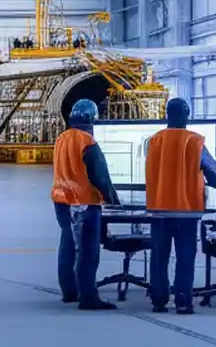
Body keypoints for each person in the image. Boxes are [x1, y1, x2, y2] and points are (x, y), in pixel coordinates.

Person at [145, 97, 216, 315]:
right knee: (185, 257)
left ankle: (158, 300)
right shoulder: (195, 141)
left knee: (159, 258)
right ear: (187, 115)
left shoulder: (153, 140)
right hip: (187, 211)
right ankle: (183, 301)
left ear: (166, 115)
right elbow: (215, 174)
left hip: (159, 210)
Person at [51, 99, 120, 310]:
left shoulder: (62, 138)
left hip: (62, 201)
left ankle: (69, 292)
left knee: (68, 246)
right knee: (88, 252)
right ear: (92, 120)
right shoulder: (88, 142)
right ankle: (88, 297)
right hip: (83, 203)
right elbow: (101, 177)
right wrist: (114, 202)